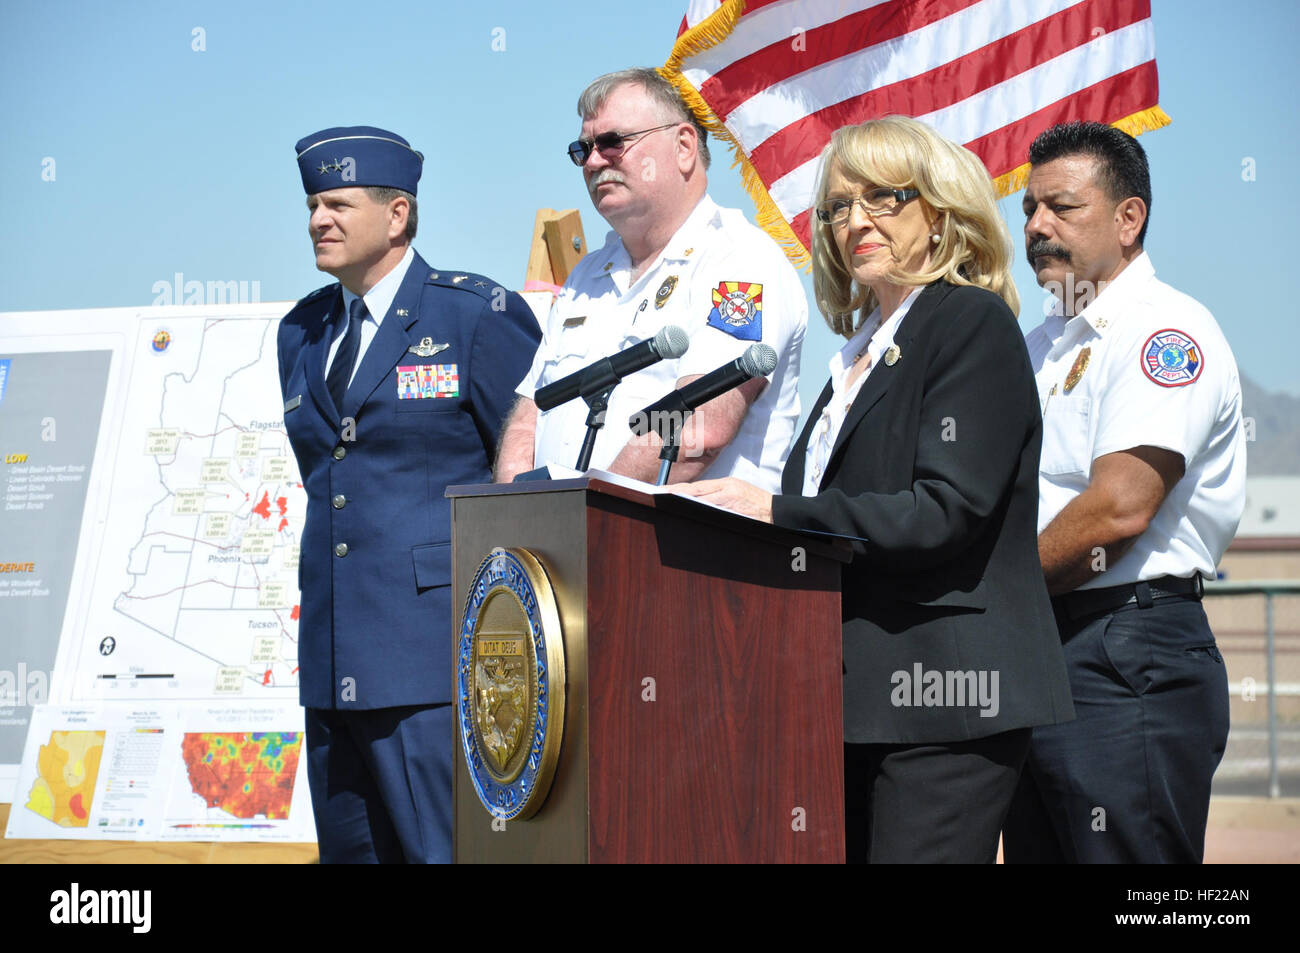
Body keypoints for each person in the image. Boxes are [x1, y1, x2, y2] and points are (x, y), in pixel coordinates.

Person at [679, 117, 1074, 863]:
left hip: (946, 698)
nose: (853, 220)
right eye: (835, 206)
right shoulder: (855, 353)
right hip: (849, 701)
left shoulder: (969, 322)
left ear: (939, 212)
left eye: (882, 199)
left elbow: (943, 511)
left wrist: (774, 510)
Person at [277, 126, 541, 863]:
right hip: (332, 668)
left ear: (398, 214)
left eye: (336, 203)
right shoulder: (300, 332)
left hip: (437, 668)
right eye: (311, 205)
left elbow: (525, 479)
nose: (317, 220)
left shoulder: (474, 316)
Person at [1002, 121, 1246, 864]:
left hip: (1124, 648)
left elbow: (1120, 508)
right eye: (1030, 210)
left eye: (1062, 207)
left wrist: (987, 592)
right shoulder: (1039, 343)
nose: (1038, 226)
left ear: (1128, 218)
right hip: (1040, 643)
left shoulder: (1163, 331)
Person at [494, 68, 805, 490]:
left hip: (684, 548)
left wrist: (590, 513)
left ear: (683, 147)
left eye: (612, 142)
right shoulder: (586, 276)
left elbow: (699, 430)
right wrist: (514, 511)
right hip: (567, 541)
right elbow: (531, 412)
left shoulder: (740, 261)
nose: (593, 160)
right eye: (582, 149)